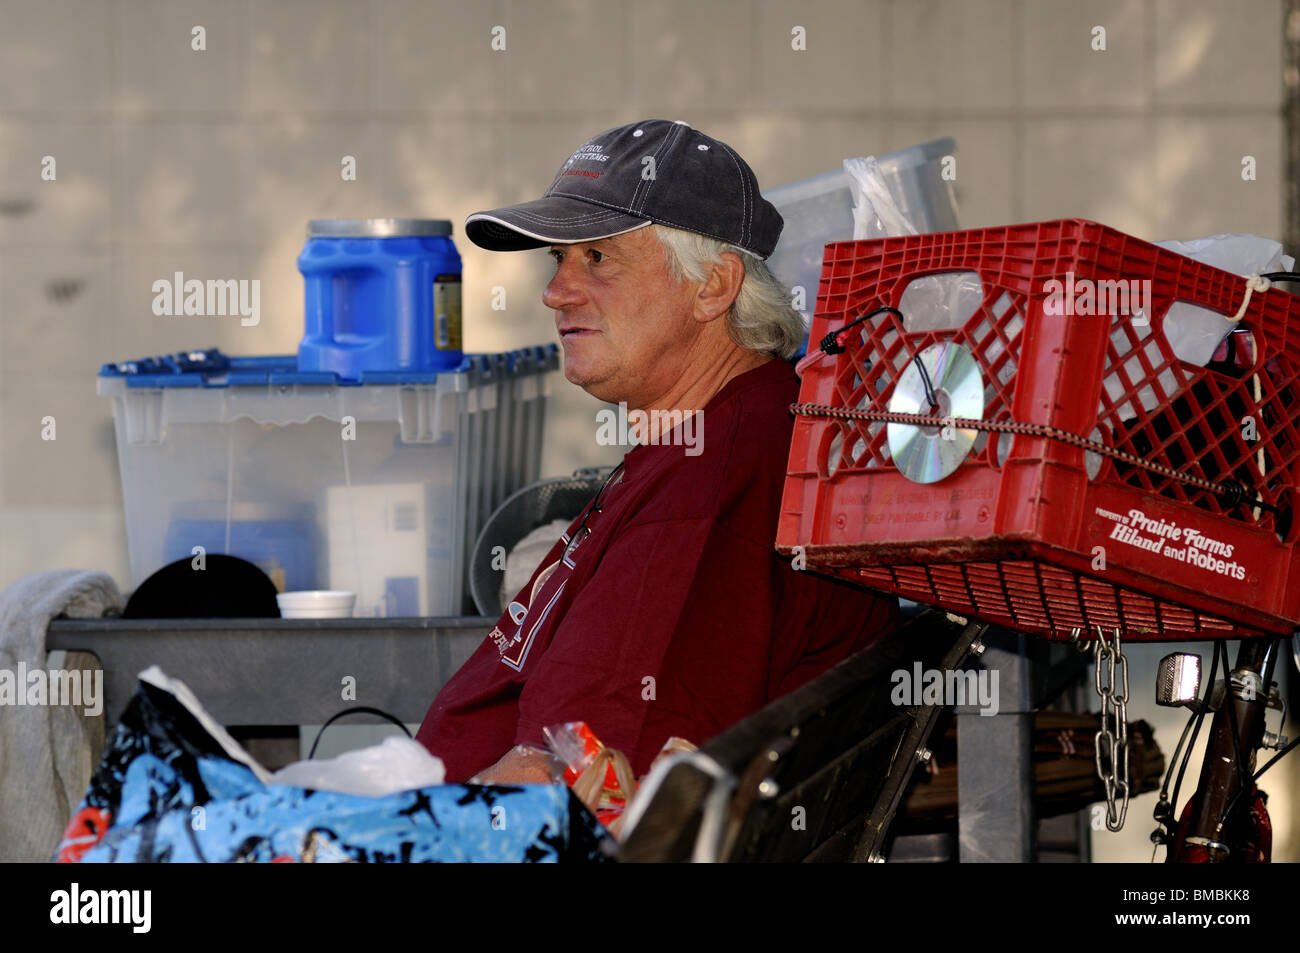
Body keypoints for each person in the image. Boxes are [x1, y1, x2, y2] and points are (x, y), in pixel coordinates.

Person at [415, 119, 898, 784]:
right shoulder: (729, 434)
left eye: (599, 258)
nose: (556, 292)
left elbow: (581, 785)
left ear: (713, 286)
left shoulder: (708, 485)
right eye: (560, 259)